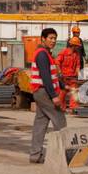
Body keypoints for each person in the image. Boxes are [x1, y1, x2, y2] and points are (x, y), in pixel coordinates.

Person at [28, 28, 65, 164]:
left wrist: (63, 86)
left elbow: (52, 75)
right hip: (44, 92)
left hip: (40, 92)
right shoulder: (42, 55)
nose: (53, 41)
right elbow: (46, 77)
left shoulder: (46, 54)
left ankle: (35, 155)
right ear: (43, 39)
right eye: (50, 38)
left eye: (55, 38)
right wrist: (54, 96)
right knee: (60, 120)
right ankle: (61, 155)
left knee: (40, 123)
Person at [56, 34, 84, 110]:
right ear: (73, 45)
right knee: (63, 92)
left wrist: (78, 74)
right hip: (64, 77)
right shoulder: (63, 52)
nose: (78, 47)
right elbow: (57, 62)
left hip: (72, 77)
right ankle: (61, 107)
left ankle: (73, 107)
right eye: (77, 46)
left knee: (74, 92)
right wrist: (59, 73)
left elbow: (78, 65)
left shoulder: (77, 54)